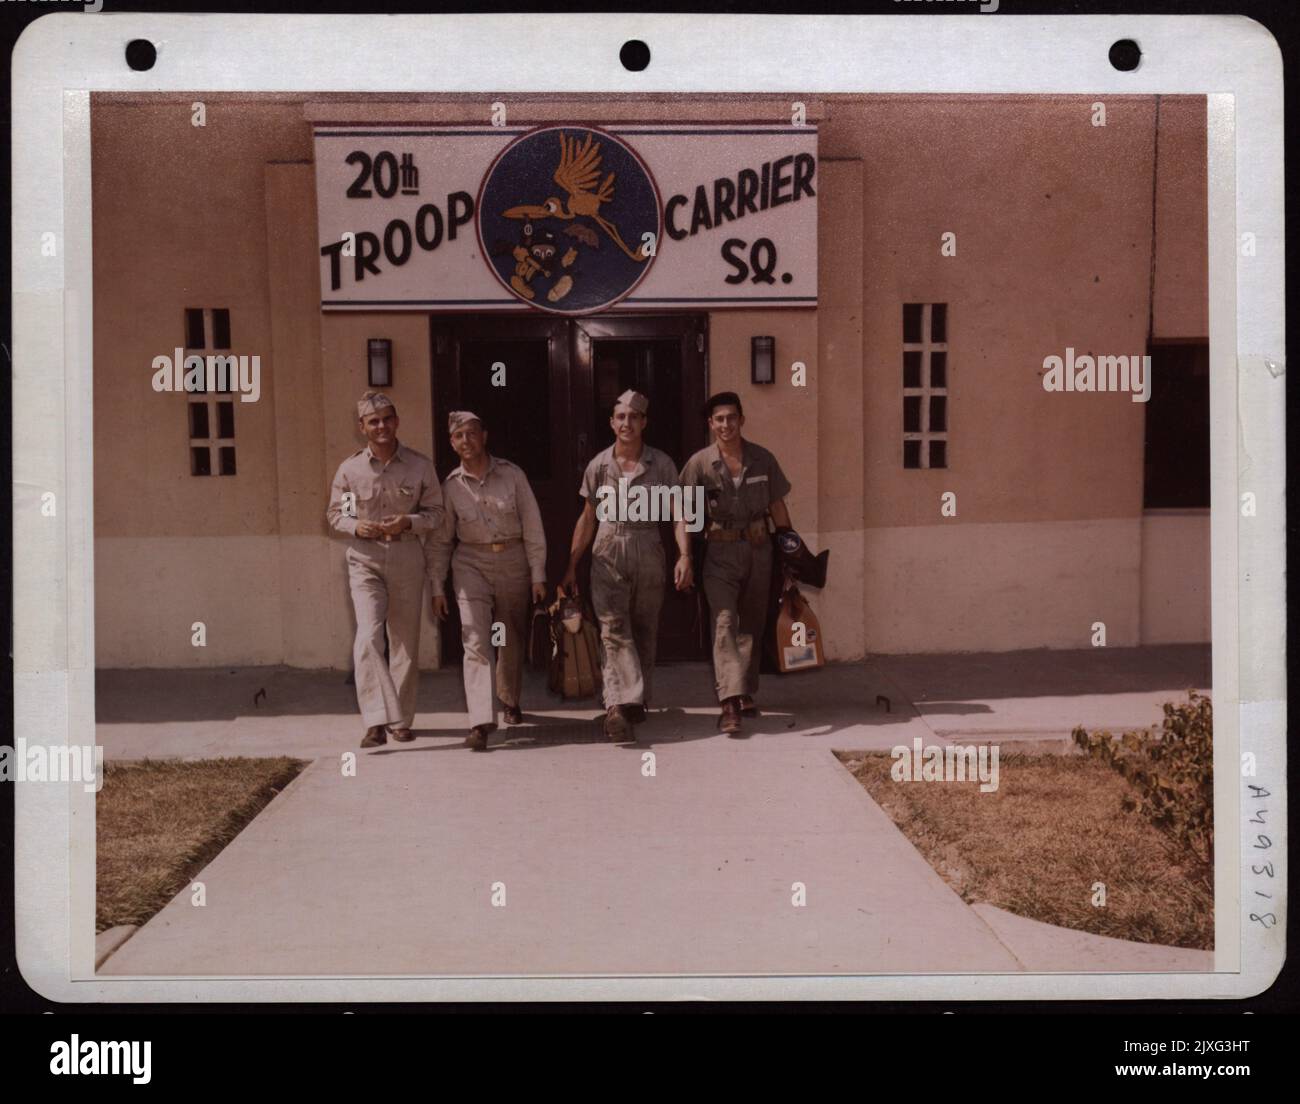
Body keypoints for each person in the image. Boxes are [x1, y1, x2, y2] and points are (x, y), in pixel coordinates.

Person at [561, 389, 693, 741]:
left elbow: (679, 513)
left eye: (634, 417)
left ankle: (636, 701)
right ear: (611, 422)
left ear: (644, 422)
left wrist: (685, 555)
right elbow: (587, 518)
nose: (627, 423)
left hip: (648, 546)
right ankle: (617, 707)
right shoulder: (599, 466)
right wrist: (573, 564)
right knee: (613, 629)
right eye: (620, 417)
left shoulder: (662, 464)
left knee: (645, 629)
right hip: (608, 548)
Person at [326, 391, 444, 748]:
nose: (381, 427)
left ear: (396, 422)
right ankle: (376, 720)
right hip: (365, 560)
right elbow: (336, 514)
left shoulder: (420, 466)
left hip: (407, 556)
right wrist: (355, 527)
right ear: (362, 427)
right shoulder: (350, 469)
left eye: (387, 419)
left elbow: (437, 514)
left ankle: (400, 721)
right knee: (368, 636)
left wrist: (407, 522)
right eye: (373, 421)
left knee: (405, 642)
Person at [428, 411, 548, 751]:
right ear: (452, 443)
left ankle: (509, 698)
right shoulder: (451, 486)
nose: (466, 441)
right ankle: (481, 721)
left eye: (472, 434)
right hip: (470, 563)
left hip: (512, 559)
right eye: (458, 437)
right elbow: (440, 541)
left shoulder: (512, 475)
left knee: (509, 634)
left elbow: (533, 526)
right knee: (476, 639)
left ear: (484, 436)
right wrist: (437, 585)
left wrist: (538, 573)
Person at [679, 391, 793, 737]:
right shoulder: (699, 464)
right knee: (725, 621)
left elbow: (777, 508)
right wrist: (684, 556)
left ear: (742, 420)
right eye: (719, 419)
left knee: (753, 623)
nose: (726, 425)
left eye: (731, 417)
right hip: (719, 552)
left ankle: (743, 690)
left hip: (760, 551)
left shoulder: (763, 459)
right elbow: (682, 514)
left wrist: (790, 553)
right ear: (710, 424)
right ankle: (729, 702)